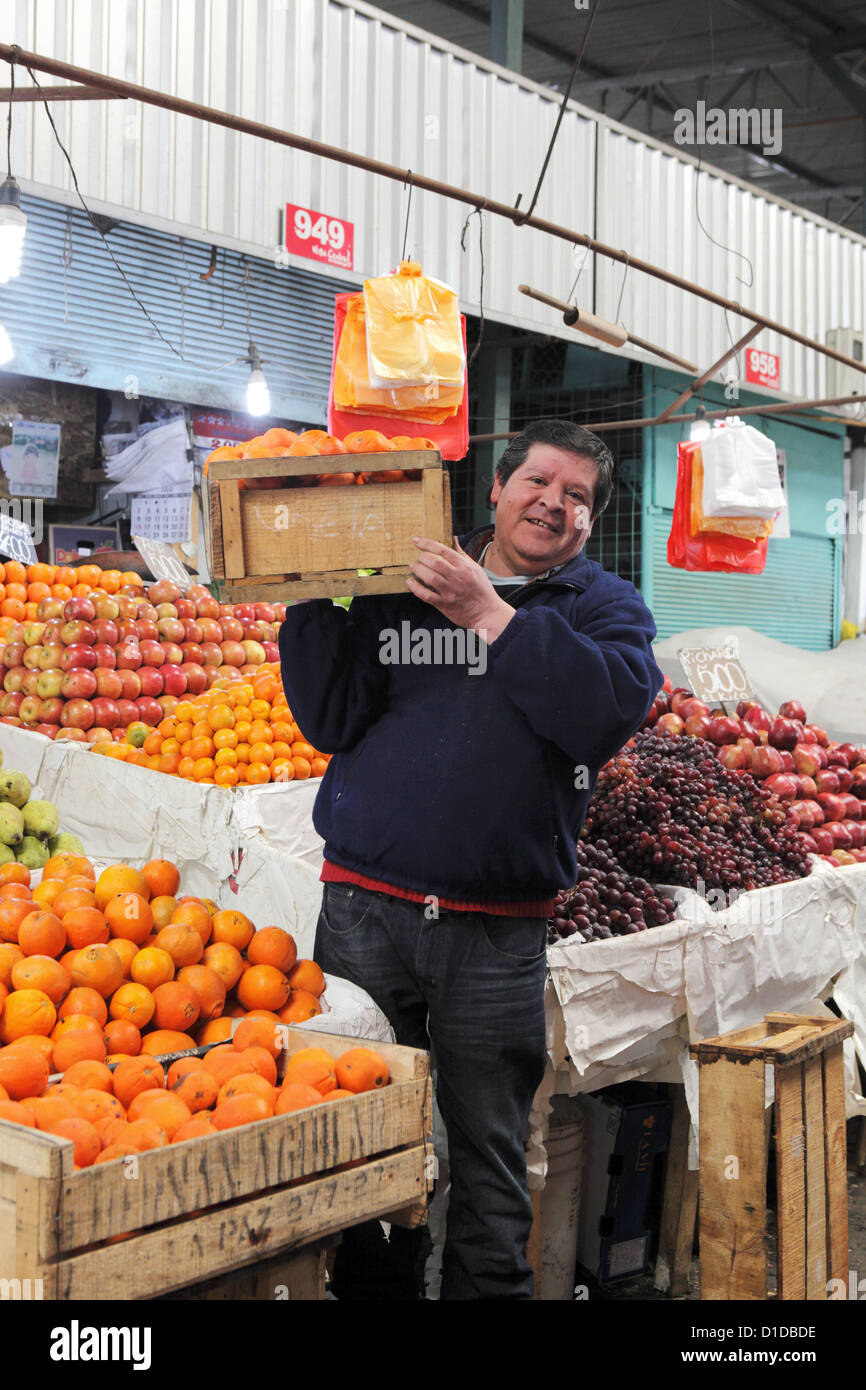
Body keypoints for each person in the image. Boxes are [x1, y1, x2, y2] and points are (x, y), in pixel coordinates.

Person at [278, 418, 664, 1300]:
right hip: (366, 914)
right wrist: (307, 594)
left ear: (588, 521)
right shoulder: (408, 581)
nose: (553, 505)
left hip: (496, 936)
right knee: (370, 1142)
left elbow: (601, 716)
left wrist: (486, 613)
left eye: (576, 498)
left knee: (489, 1159)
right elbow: (330, 719)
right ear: (495, 488)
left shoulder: (603, 609)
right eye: (539, 482)